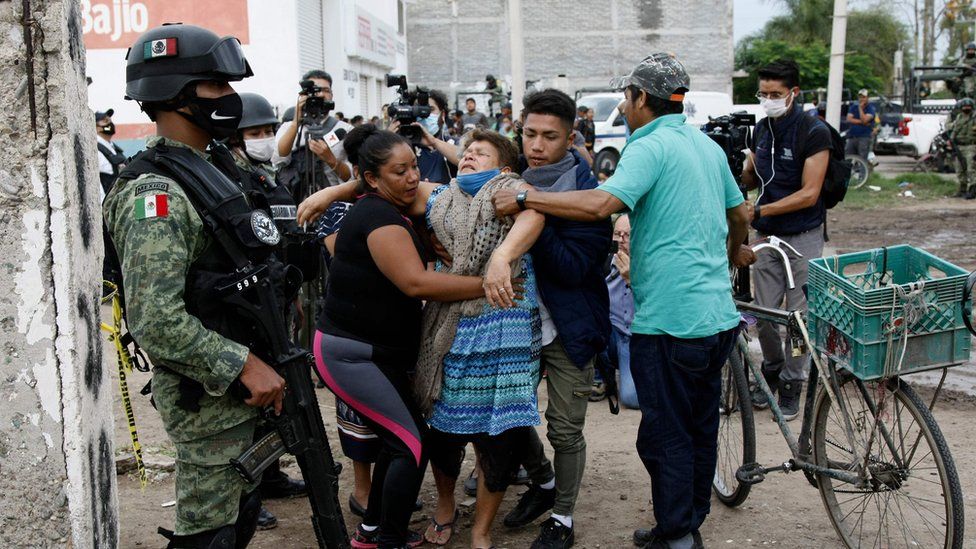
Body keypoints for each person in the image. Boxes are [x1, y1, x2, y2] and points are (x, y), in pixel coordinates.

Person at [492, 52, 753, 549]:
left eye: (626, 97)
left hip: (670, 322)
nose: (624, 106)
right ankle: (686, 523)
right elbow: (740, 215)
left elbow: (602, 204)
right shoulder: (704, 144)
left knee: (663, 437)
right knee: (698, 429)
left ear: (640, 98)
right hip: (718, 317)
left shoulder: (647, 145)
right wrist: (729, 254)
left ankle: (677, 536)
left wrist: (525, 198)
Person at [103, 24, 285, 548]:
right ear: (175, 93)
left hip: (247, 384)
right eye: (217, 86)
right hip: (212, 396)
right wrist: (244, 365)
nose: (230, 98)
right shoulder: (156, 194)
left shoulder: (212, 166)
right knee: (210, 536)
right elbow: (156, 320)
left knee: (240, 518)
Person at [299, 125, 511, 548]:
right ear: (372, 178)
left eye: (415, 166)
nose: (413, 177)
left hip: (373, 353)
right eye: (400, 172)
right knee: (409, 445)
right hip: (351, 355)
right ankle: (389, 540)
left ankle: (372, 532)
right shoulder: (377, 216)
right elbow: (416, 283)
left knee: (400, 441)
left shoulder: (389, 206)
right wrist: (488, 283)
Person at [498, 89, 612, 549]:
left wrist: (531, 207)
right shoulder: (510, 177)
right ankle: (543, 482)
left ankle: (562, 517)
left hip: (569, 327)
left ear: (570, 139)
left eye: (549, 136)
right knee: (506, 414)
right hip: (516, 324)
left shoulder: (589, 196)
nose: (537, 145)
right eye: (530, 134)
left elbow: (573, 269)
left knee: (565, 429)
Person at [229, 92, 308, 531]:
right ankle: (249, 490)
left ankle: (272, 475)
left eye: (267, 131)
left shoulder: (267, 174)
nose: (263, 138)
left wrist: (291, 295)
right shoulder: (231, 179)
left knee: (282, 393)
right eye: (254, 132)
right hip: (253, 305)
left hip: (280, 296)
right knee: (254, 401)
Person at [740, 59, 831, 420]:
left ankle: (793, 382)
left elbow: (810, 193)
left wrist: (761, 210)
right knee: (762, 313)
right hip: (766, 236)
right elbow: (753, 178)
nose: (768, 100)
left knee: (797, 319)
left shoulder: (813, 132)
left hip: (802, 236)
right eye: (763, 93)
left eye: (775, 94)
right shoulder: (762, 130)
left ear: (794, 92)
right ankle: (773, 368)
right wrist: (743, 170)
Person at [273, 70, 353, 196]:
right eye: (315, 91)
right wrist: (295, 122)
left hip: (333, 200)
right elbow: (279, 160)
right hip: (297, 200)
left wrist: (331, 159)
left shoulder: (345, 130)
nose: (320, 95)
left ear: (332, 95)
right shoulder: (289, 128)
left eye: (326, 90)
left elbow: (352, 176)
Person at [606, 214, 638, 409]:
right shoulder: (607, 264)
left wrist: (631, 278)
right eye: (617, 234)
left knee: (631, 398)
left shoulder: (651, 265)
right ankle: (600, 376)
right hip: (612, 331)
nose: (621, 240)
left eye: (627, 235)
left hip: (637, 337)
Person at [390, 88, 454, 184]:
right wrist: (386, 140)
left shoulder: (452, 142)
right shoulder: (404, 146)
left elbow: (462, 157)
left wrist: (434, 142)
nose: (424, 115)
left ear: (443, 114)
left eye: (430, 110)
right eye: (418, 110)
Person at [947, 98, 976, 199]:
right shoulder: (959, 117)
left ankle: (973, 190)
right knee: (959, 169)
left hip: (971, 146)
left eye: (968, 107)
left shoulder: (974, 118)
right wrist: (950, 140)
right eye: (964, 107)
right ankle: (962, 189)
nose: (966, 108)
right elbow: (955, 130)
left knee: (971, 169)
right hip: (959, 146)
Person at [95, 108, 126, 198]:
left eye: (110, 120)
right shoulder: (96, 150)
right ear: (97, 128)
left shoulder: (114, 148)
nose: (110, 124)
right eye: (106, 121)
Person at [844, 89, 876, 160]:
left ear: (867, 98)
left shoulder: (870, 108)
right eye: (860, 97)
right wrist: (862, 122)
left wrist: (860, 109)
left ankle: (863, 167)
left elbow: (865, 120)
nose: (861, 99)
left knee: (862, 158)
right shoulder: (853, 107)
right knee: (848, 156)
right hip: (852, 136)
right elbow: (849, 119)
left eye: (864, 97)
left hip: (864, 137)